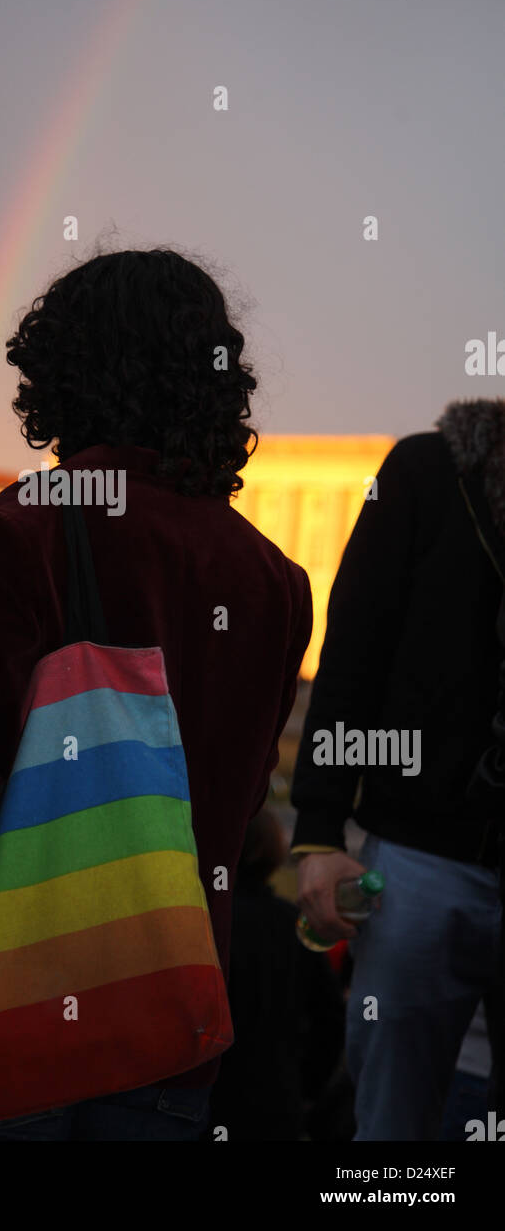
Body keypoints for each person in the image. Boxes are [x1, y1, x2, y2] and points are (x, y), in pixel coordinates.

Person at [0, 247, 313, 1141]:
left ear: (61, 375)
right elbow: (237, 795)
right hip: (171, 1007)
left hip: (12, 992)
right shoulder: (277, 580)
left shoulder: (18, 534)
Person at [291, 399, 505, 1141]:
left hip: (422, 864)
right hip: (417, 863)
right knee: (392, 1139)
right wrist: (318, 832)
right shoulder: (426, 469)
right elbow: (351, 653)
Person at [209, 807, 345, 1141]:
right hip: (277, 1101)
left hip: (208, 1100)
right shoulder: (293, 925)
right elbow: (330, 1019)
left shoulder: (205, 921)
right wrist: (308, 1088)